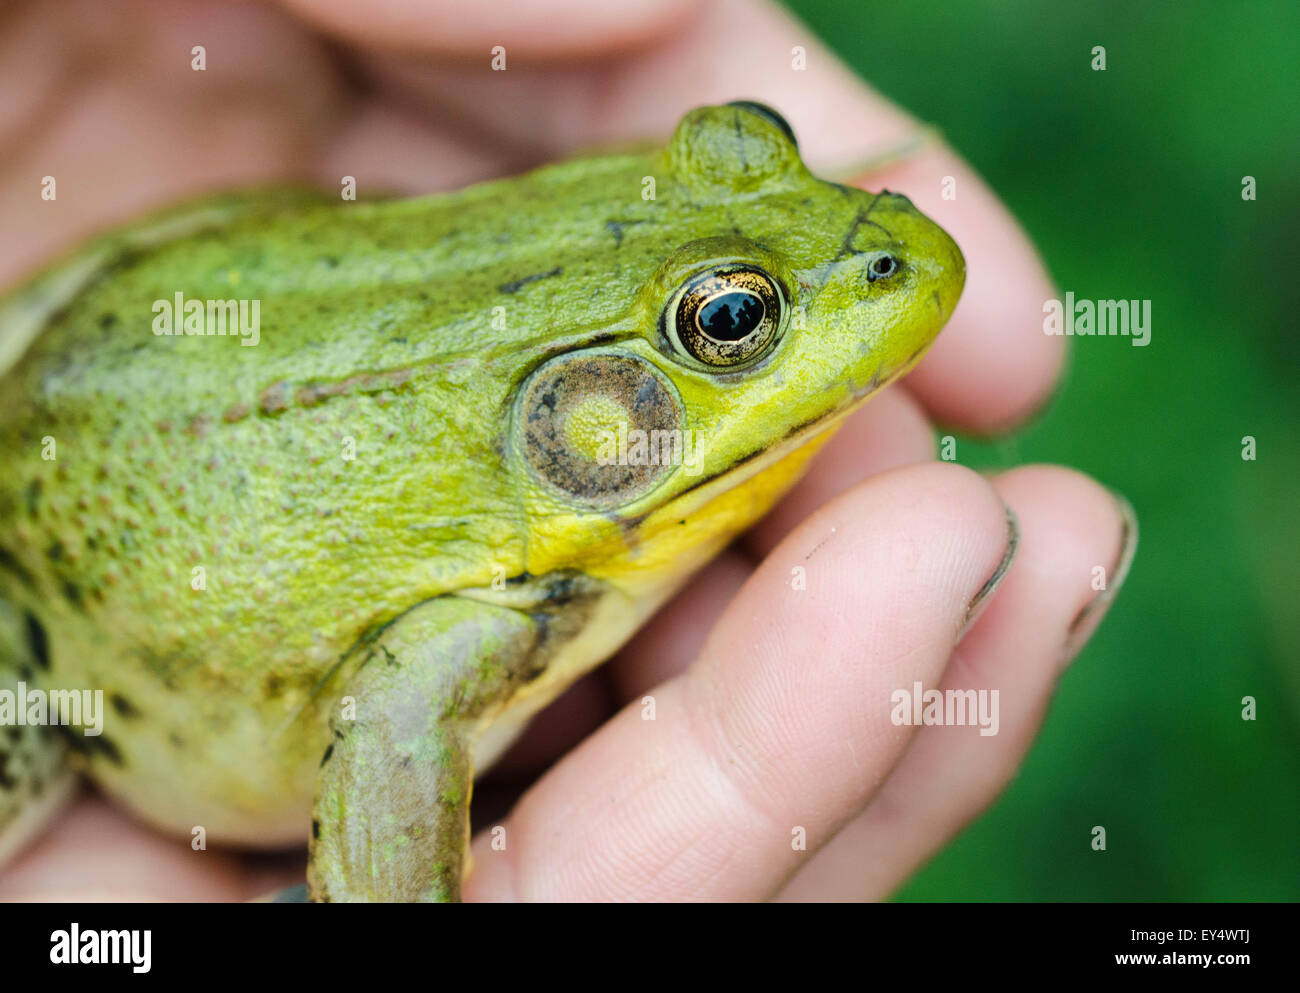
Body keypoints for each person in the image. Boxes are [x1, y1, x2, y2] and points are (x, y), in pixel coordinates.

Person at [0, 0, 1134, 901]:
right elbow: (394, 711)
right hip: (48, 603)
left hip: (144, 310)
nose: (871, 240)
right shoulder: (473, 620)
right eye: (732, 324)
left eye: (755, 149)